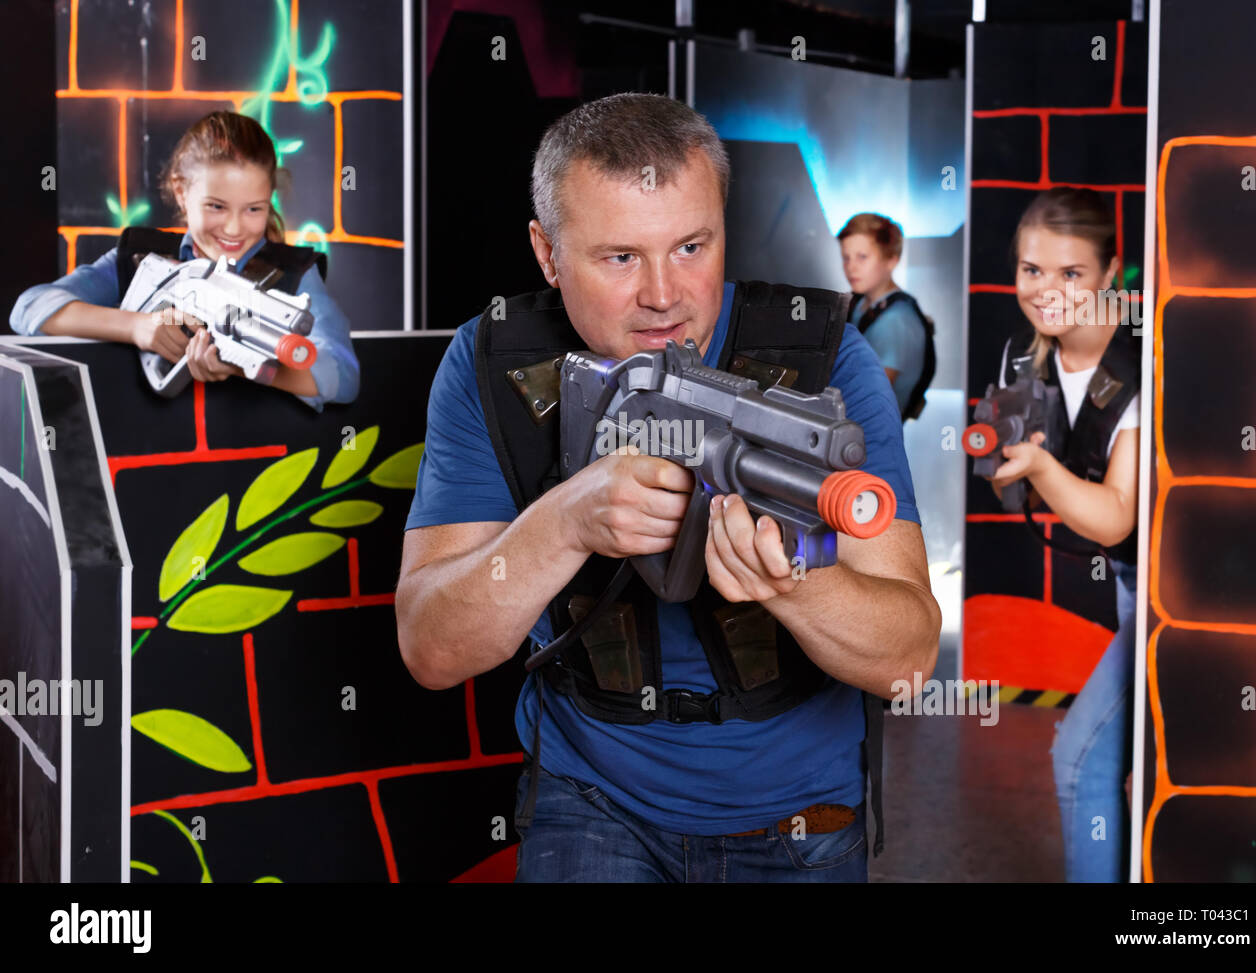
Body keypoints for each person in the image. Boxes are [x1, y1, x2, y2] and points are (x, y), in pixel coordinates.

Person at [395, 93, 940, 883]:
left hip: (797, 819)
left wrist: (790, 585)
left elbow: (911, 658)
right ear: (547, 255)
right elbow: (431, 648)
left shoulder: (827, 360)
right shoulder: (492, 362)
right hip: (593, 798)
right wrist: (568, 522)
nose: (663, 293)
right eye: (619, 257)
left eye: (691, 246)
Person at [985, 187, 1139, 882]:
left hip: (1178, 597)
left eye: (1072, 273)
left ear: (1111, 274)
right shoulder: (1026, 357)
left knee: (1081, 756)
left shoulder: (1144, 359)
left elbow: (1114, 516)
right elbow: (1011, 467)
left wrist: (1039, 466)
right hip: (1131, 587)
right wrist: (1008, 464)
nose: (1047, 291)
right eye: (1032, 270)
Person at [9, 110, 359, 412]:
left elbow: (341, 375)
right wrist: (138, 327)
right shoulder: (143, 259)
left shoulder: (292, 274)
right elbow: (30, 308)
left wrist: (242, 365)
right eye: (216, 206)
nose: (234, 227)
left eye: (254, 209)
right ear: (180, 191)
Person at [838, 213, 931, 419]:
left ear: (891, 260)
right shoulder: (861, 304)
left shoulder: (896, 320)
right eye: (846, 257)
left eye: (862, 257)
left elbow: (868, 397)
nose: (851, 267)